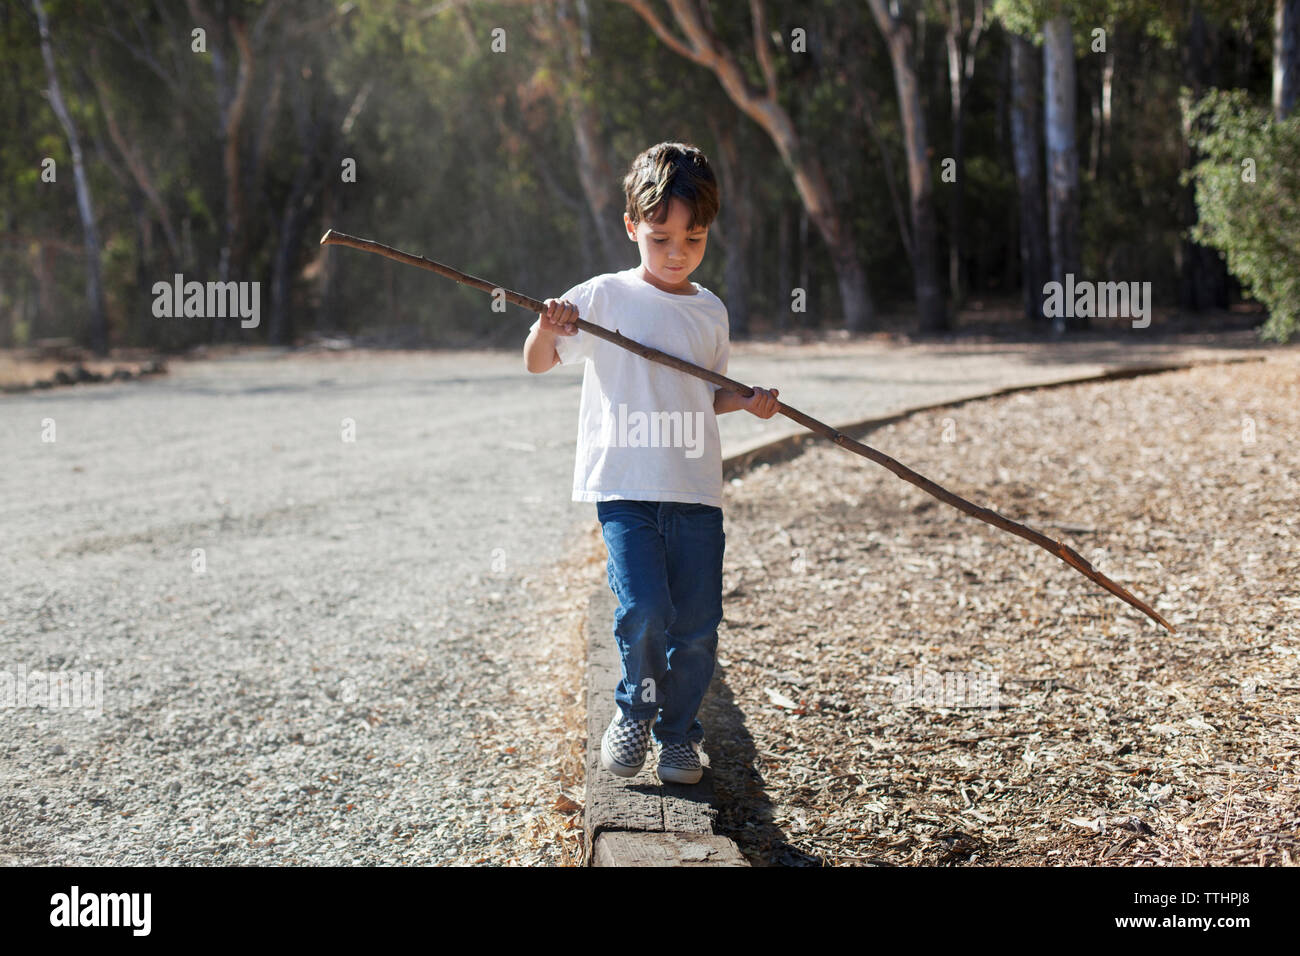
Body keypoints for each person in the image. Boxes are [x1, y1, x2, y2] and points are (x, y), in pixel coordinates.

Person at [523, 142, 779, 784]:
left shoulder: (709, 310)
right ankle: (634, 710)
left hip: (694, 492)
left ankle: (679, 736)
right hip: (626, 490)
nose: (675, 252)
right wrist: (549, 328)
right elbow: (536, 362)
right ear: (632, 226)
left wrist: (746, 403)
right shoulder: (604, 297)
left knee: (695, 628)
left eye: (692, 239)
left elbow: (704, 394)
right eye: (661, 236)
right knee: (643, 612)